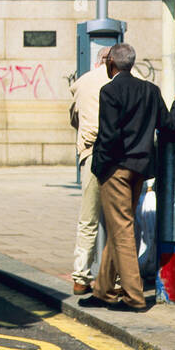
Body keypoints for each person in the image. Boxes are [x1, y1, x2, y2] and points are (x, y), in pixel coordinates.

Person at [82, 44, 175, 311]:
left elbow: (109, 136)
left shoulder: (110, 91)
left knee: (124, 230)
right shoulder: (150, 90)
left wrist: (99, 167)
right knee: (120, 227)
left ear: (110, 64)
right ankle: (103, 291)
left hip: (115, 169)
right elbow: (169, 127)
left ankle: (134, 297)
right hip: (140, 169)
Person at [69, 47, 113, 295]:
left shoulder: (83, 82)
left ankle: (81, 277)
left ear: (98, 61)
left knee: (88, 219)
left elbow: (74, 117)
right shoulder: (136, 78)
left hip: (92, 154)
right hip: (122, 157)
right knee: (120, 221)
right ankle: (116, 280)